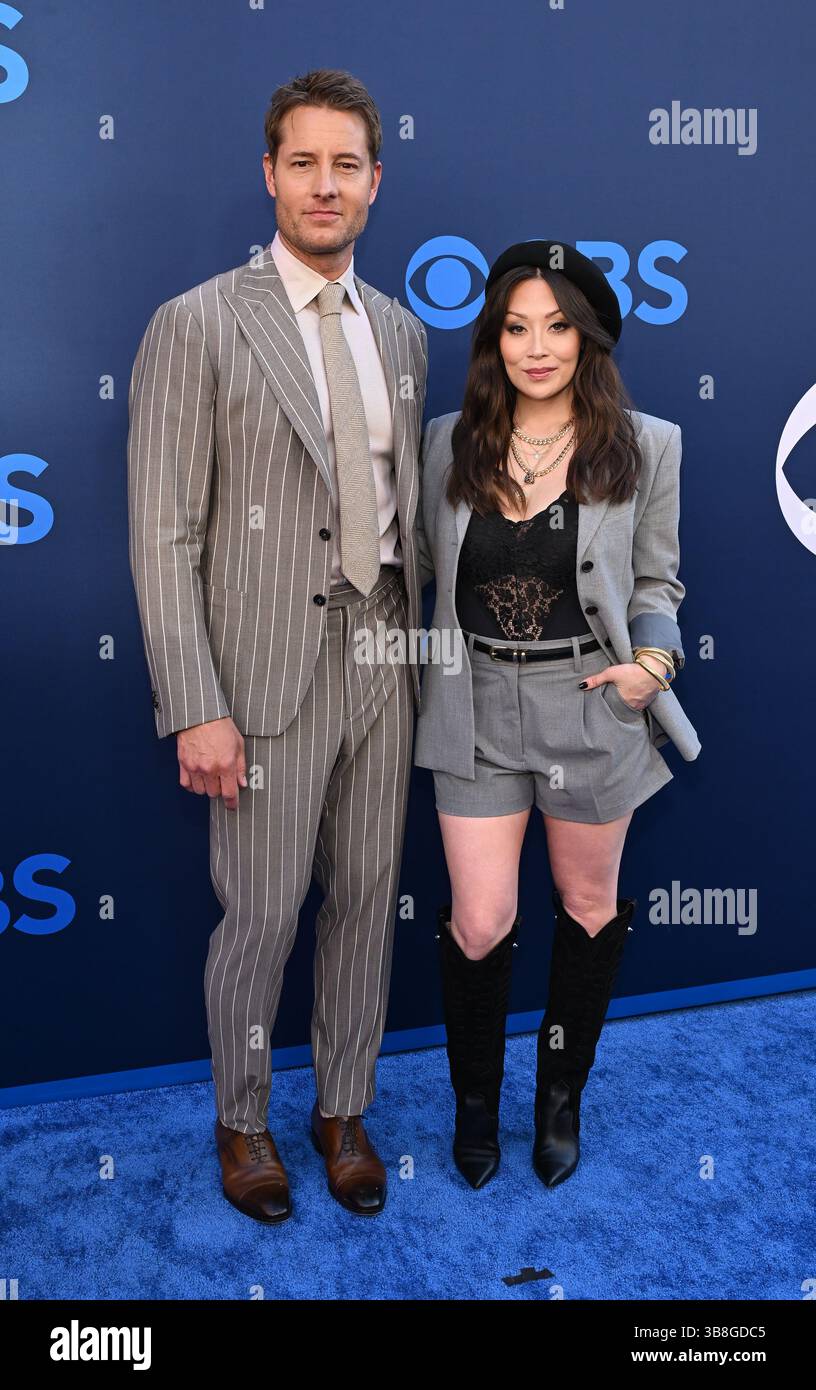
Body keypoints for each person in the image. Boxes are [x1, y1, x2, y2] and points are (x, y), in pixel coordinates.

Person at [126, 69, 433, 1223]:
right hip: (255, 678)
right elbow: (165, 530)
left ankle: (341, 1107)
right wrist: (191, 699)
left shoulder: (401, 332)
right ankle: (244, 1118)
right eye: (301, 162)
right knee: (260, 916)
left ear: (374, 183)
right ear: (269, 175)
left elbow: (404, 514)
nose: (324, 184)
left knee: (367, 897)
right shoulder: (196, 322)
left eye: (345, 164)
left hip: (382, 659)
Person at [413, 239, 701, 1190]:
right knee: (483, 918)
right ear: (494, 337)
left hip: (592, 705)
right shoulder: (446, 441)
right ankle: (477, 1104)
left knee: (585, 907)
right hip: (474, 701)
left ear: (590, 337)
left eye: (558, 327)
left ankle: (561, 1095)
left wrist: (650, 665)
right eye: (516, 326)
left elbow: (657, 580)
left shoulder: (648, 443)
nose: (537, 346)